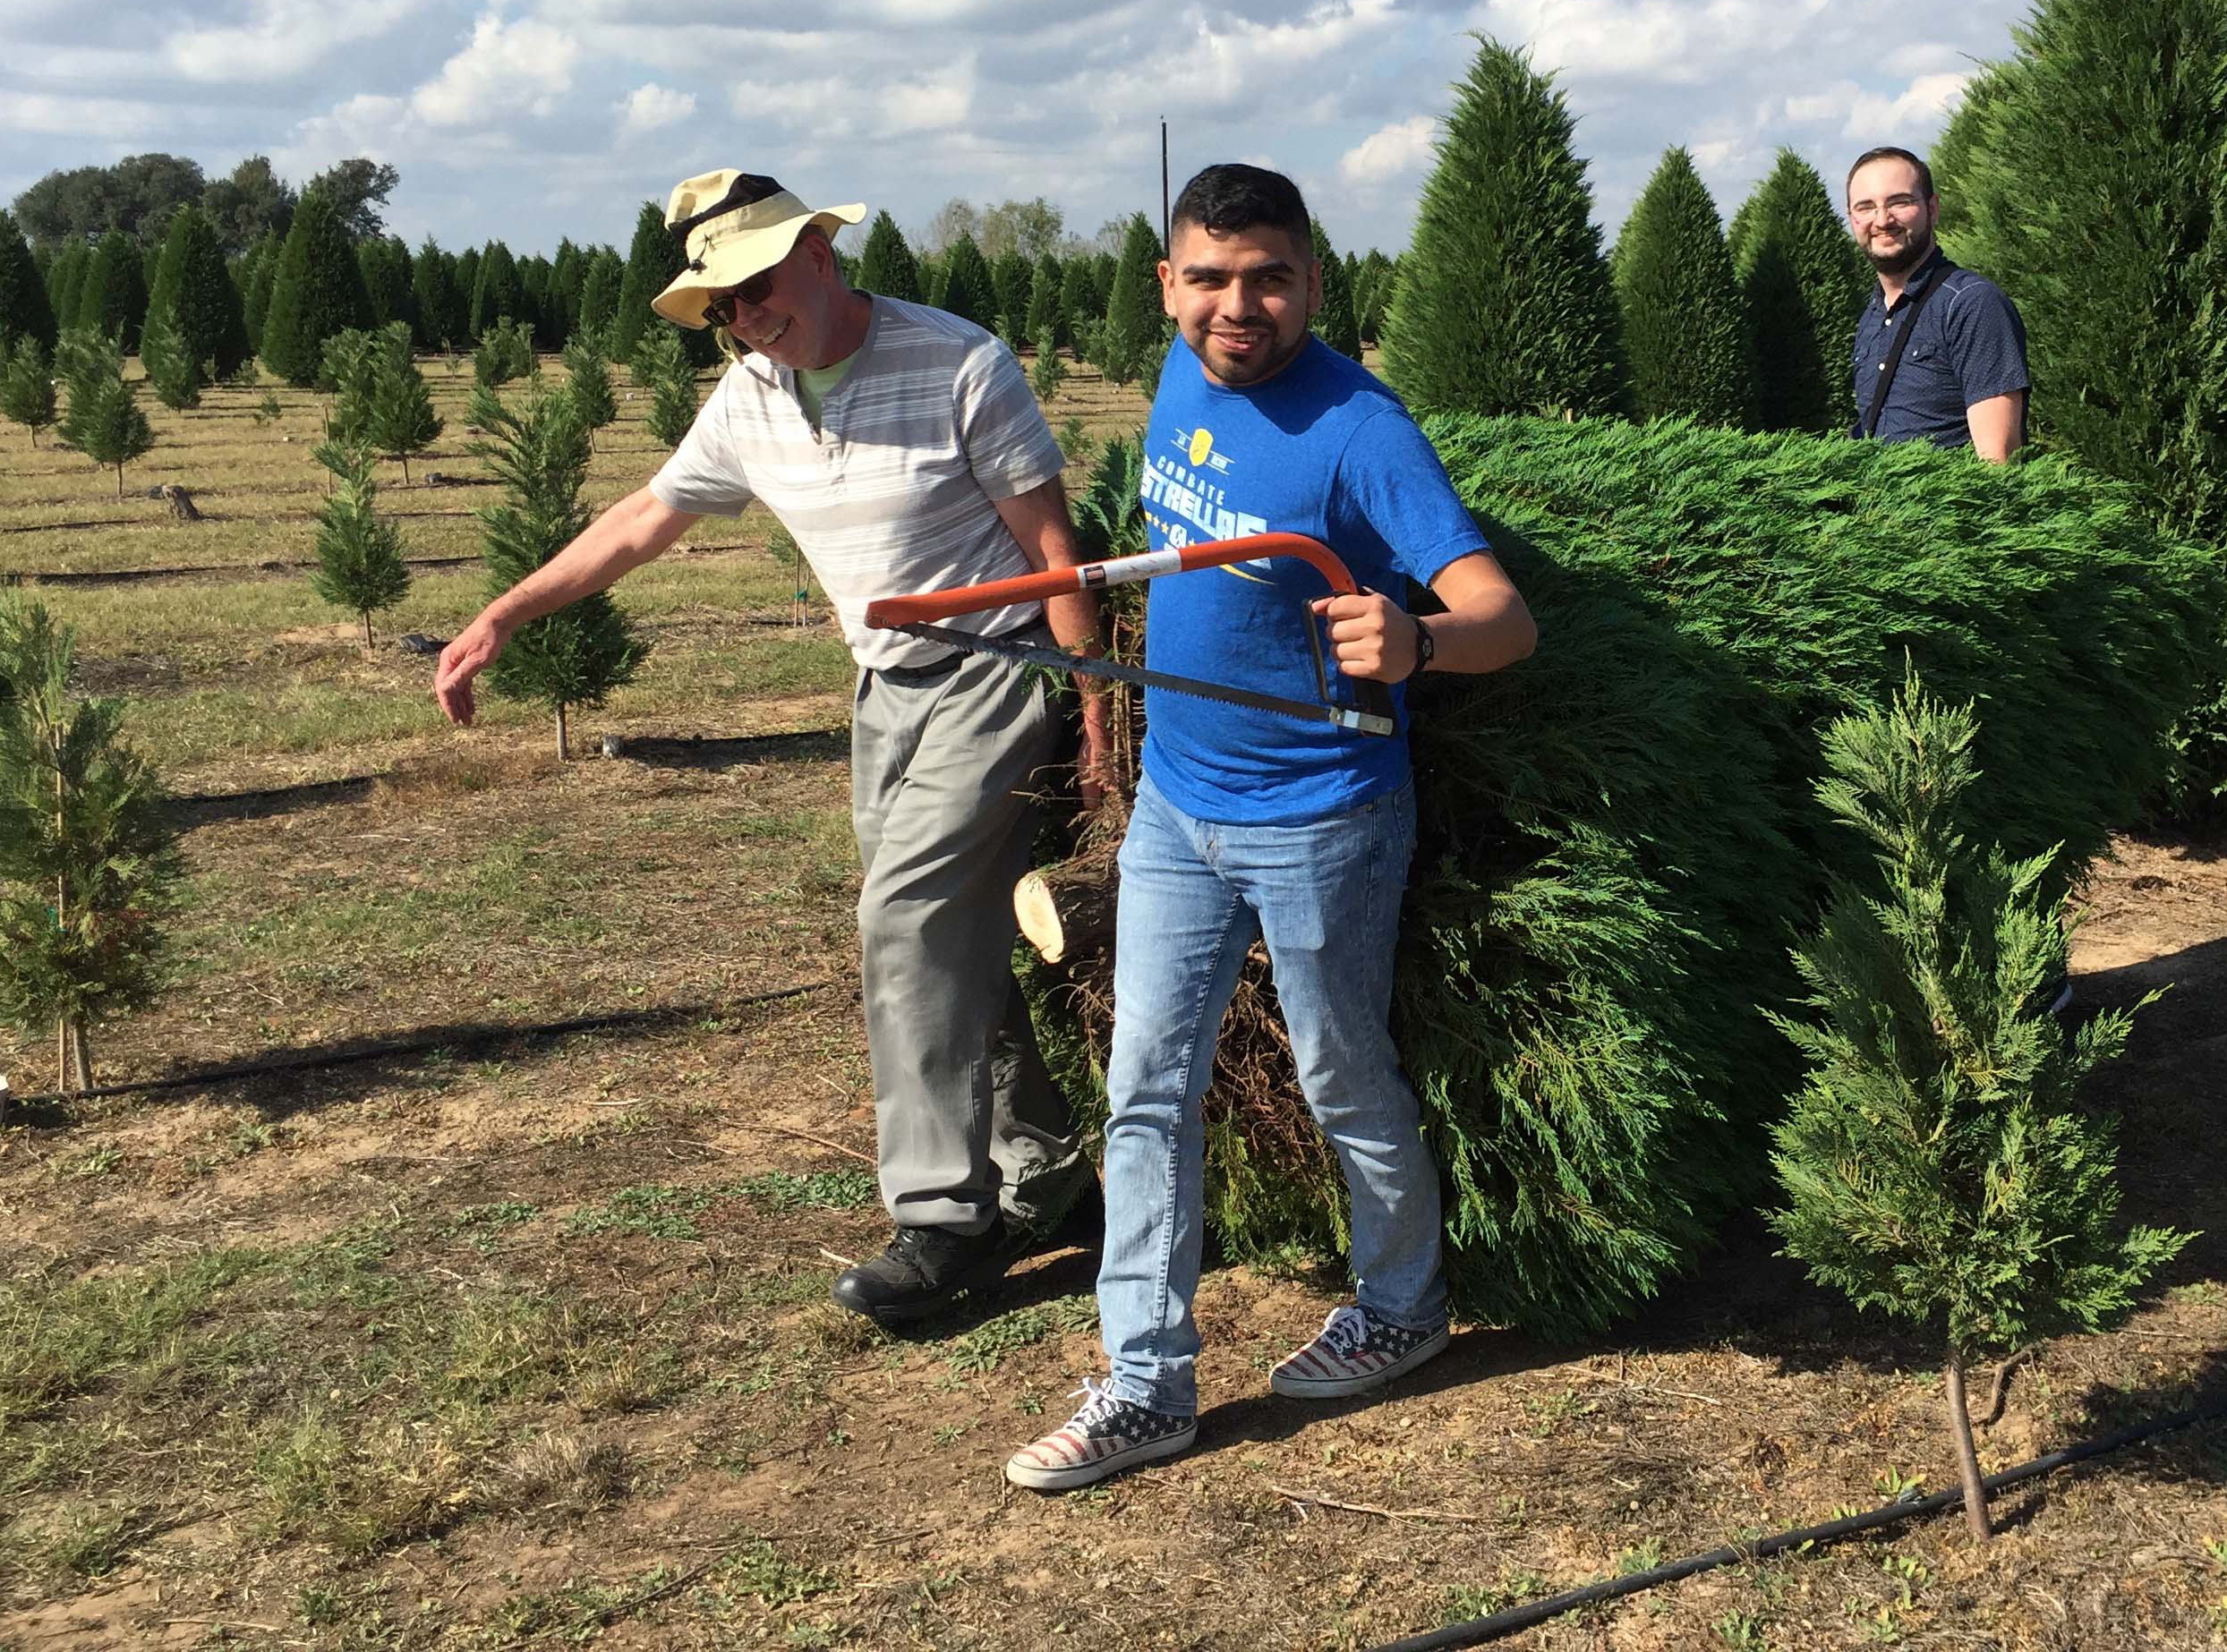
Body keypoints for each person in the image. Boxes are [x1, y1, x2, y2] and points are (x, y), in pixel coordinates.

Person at [432, 170, 1106, 1328]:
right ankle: (1047, 1177)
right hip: (884, 693)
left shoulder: (958, 362)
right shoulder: (750, 395)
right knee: (946, 941)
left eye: (756, 287)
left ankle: (944, 1222)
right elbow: (643, 520)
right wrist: (506, 613)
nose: (746, 317)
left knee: (907, 920)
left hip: (995, 673)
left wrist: (1093, 713)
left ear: (818, 255)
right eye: (723, 306)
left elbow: (1056, 549)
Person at [1004, 163, 1537, 1494]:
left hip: (1323, 819)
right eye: (1209, 279)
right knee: (1145, 1087)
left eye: (1269, 280)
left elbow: (1505, 617)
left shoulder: (1362, 432)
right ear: (1166, 284)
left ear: (1314, 280)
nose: (1238, 308)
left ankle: (1404, 1309)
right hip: (1178, 810)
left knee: (1341, 1074)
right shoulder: (1178, 379)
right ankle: (1146, 1388)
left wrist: (1418, 639)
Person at [1843, 146, 2029, 460]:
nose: (1882, 219)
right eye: (1866, 207)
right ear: (1851, 218)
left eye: (1900, 202)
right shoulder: (1872, 316)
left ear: (1933, 208)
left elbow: (1999, 460)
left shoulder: (1971, 304)